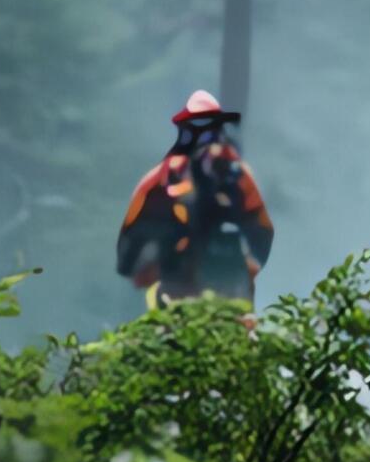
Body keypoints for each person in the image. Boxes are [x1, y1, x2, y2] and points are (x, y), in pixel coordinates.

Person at [116, 90, 275, 309]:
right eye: (197, 127)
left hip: (226, 283)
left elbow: (262, 231)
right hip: (182, 282)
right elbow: (132, 237)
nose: (202, 137)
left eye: (208, 127)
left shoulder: (235, 176)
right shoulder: (165, 177)